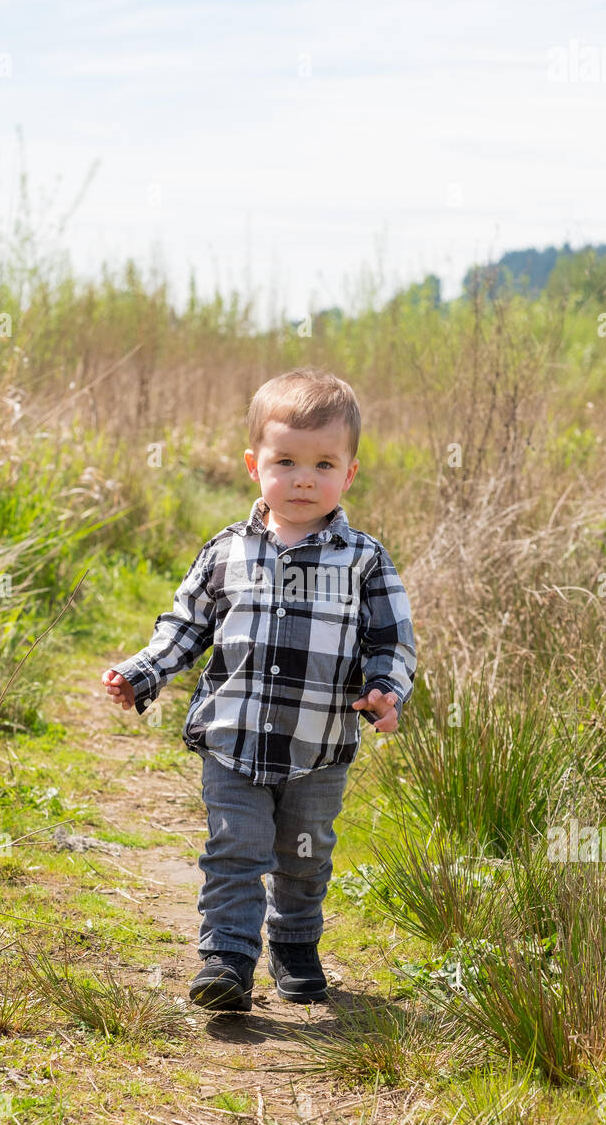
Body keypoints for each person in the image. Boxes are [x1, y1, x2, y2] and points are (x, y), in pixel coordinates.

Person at [101, 367, 417, 1012]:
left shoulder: (363, 560)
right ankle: (227, 958)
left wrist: (386, 689)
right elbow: (186, 625)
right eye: (287, 461)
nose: (304, 478)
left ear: (349, 473)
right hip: (234, 737)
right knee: (234, 847)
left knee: (303, 856)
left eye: (324, 464)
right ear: (255, 466)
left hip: (317, 746)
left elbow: (391, 639)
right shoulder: (226, 552)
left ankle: (295, 942)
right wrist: (143, 673)